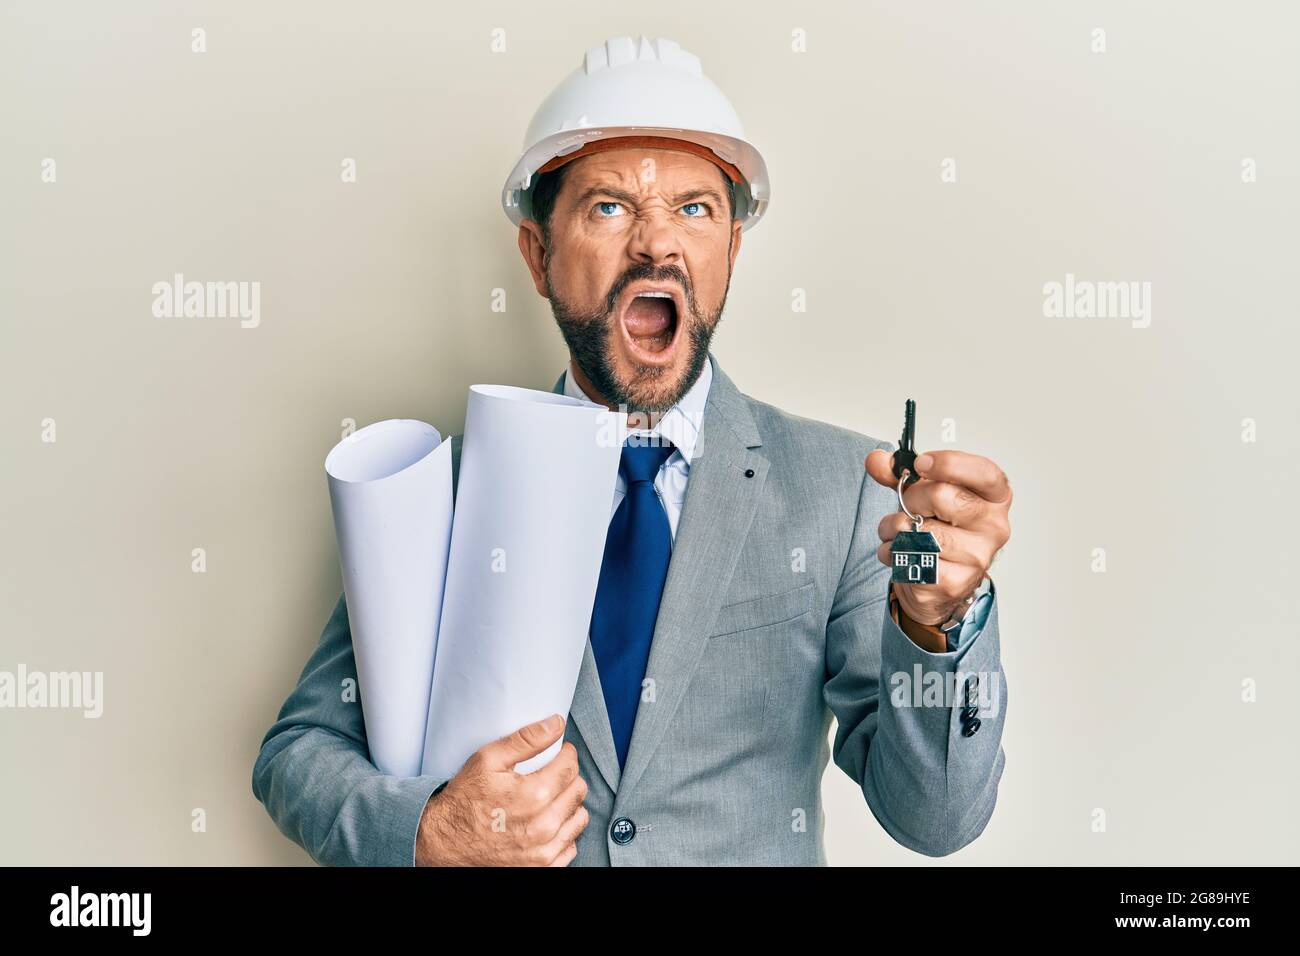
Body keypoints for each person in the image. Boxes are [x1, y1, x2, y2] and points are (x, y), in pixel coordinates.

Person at [253, 34, 1013, 866]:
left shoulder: (846, 492)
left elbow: (936, 819)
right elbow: (298, 751)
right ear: (538, 255)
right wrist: (431, 831)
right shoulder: (450, 490)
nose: (658, 245)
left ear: (731, 249)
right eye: (610, 207)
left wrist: (939, 629)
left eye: (695, 209)